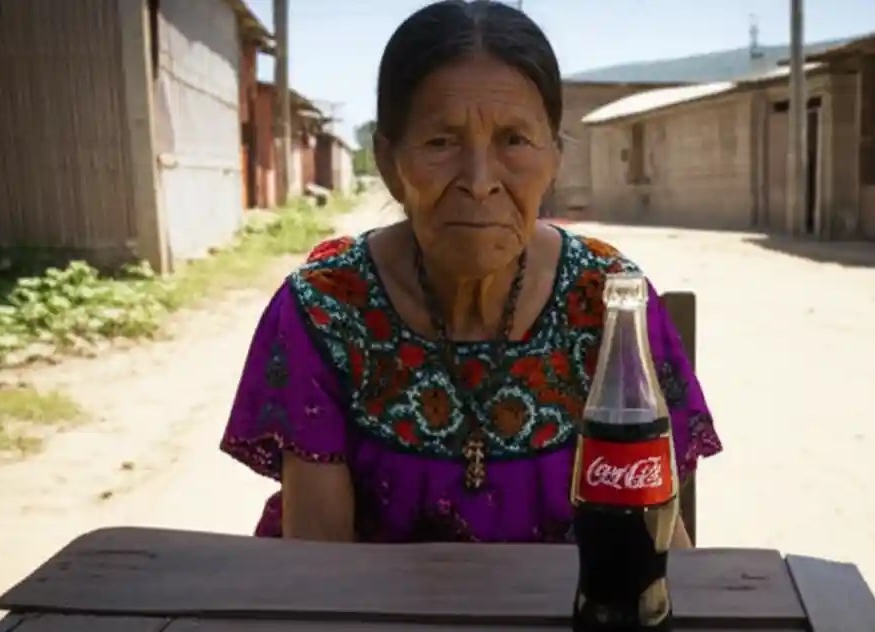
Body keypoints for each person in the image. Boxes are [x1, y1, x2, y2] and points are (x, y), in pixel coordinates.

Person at [220, 0, 721, 545]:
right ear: (389, 163)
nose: (479, 181)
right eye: (441, 142)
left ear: (554, 157)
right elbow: (318, 570)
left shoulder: (608, 303)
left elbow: (658, 553)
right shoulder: (327, 309)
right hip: (378, 625)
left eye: (513, 141)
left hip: (573, 627)